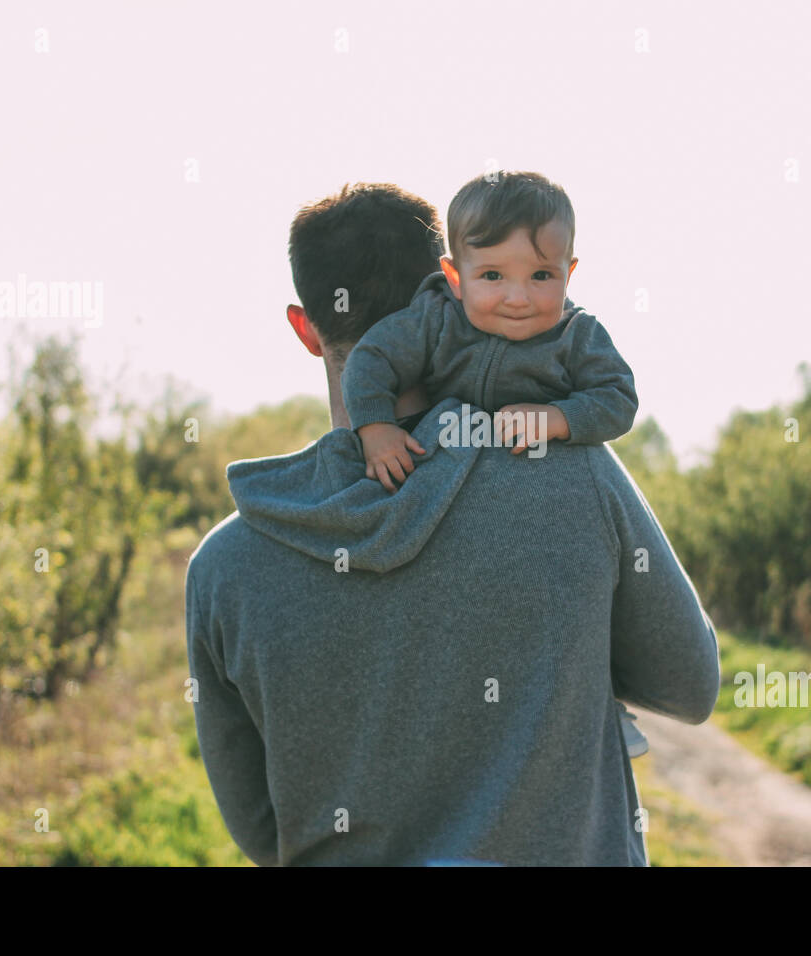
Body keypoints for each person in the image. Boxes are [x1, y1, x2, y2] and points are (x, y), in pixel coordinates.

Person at [185, 182, 719, 866]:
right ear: (453, 295)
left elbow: (262, 829)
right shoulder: (572, 474)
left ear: (306, 329)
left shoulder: (225, 568)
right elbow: (689, 684)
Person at [341, 170, 649, 757]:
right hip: (457, 493)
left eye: (541, 276)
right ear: (454, 276)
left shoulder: (577, 336)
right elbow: (372, 359)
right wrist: (375, 427)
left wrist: (558, 418)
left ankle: (601, 700)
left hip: (544, 501)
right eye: (491, 276)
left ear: (570, 273)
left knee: (569, 598)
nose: (518, 297)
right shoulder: (435, 321)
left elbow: (618, 398)